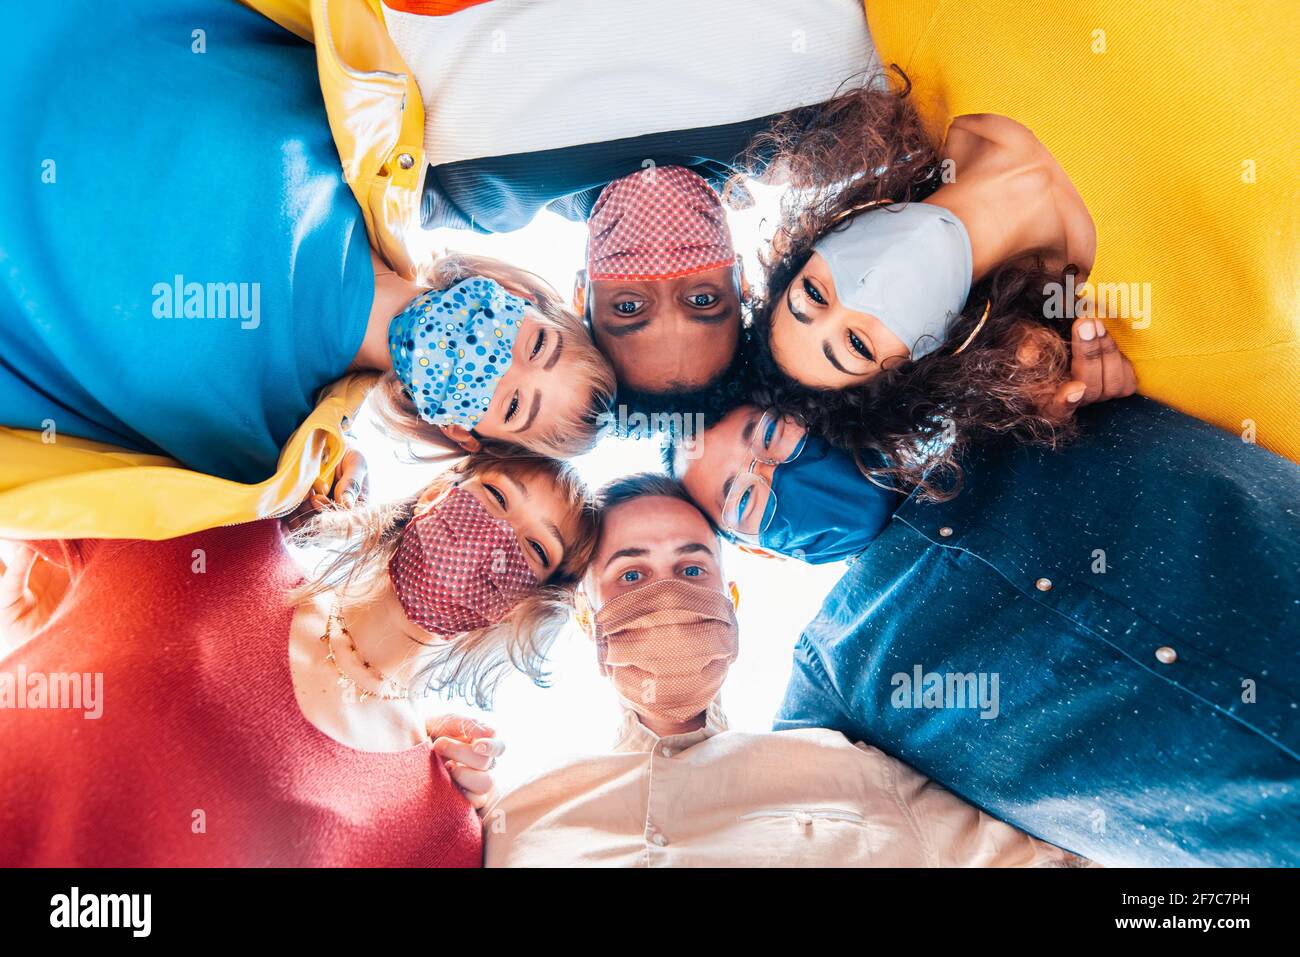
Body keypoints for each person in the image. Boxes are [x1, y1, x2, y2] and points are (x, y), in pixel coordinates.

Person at [0, 0, 614, 537]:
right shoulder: (370, 123)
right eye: (536, 344)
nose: (500, 360)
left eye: (511, 405)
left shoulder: (253, 455)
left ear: (462, 434)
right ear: (516, 292)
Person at [0, 452, 596, 865]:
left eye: (534, 548)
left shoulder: (436, 824)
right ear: (437, 495)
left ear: (518, 606)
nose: (495, 535)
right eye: (495, 497)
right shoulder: (224, 534)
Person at [482, 474, 1091, 867]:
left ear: (732, 605)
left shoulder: (850, 769)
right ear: (590, 622)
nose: (668, 595)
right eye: (632, 575)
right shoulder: (518, 811)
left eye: (694, 571)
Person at [371, 0, 879, 413]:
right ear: (743, 281)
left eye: (629, 308)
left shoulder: (463, 194)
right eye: (703, 300)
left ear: (579, 293)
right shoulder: (829, 130)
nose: (663, 267)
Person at [749, 71, 1139, 497]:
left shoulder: (926, 36)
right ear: (935, 353)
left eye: (814, 294)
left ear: (816, 238)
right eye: (857, 344)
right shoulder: (1149, 307)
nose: (858, 291)